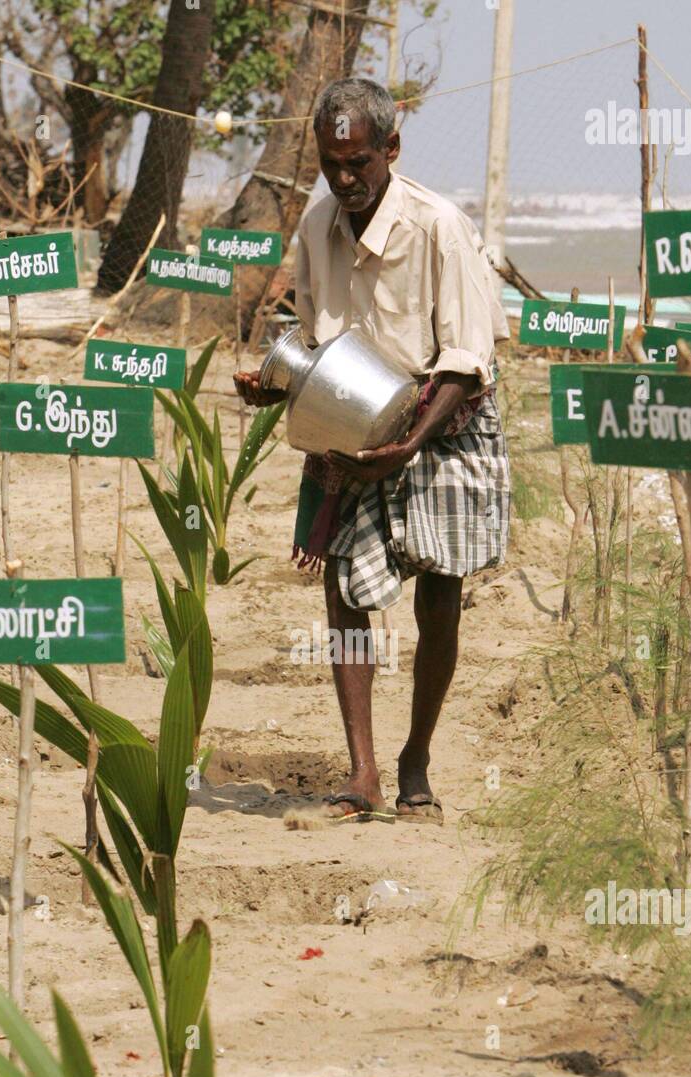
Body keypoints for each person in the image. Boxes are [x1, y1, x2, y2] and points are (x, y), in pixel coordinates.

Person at [234, 76, 510, 826]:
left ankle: (415, 755)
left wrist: (410, 442)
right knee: (343, 592)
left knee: (439, 589)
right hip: (351, 416)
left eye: (359, 163)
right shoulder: (318, 223)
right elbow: (317, 340)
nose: (346, 179)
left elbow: (466, 357)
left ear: (391, 148)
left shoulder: (437, 227)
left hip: (442, 416)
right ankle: (361, 772)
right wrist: (275, 384)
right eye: (332, 163)